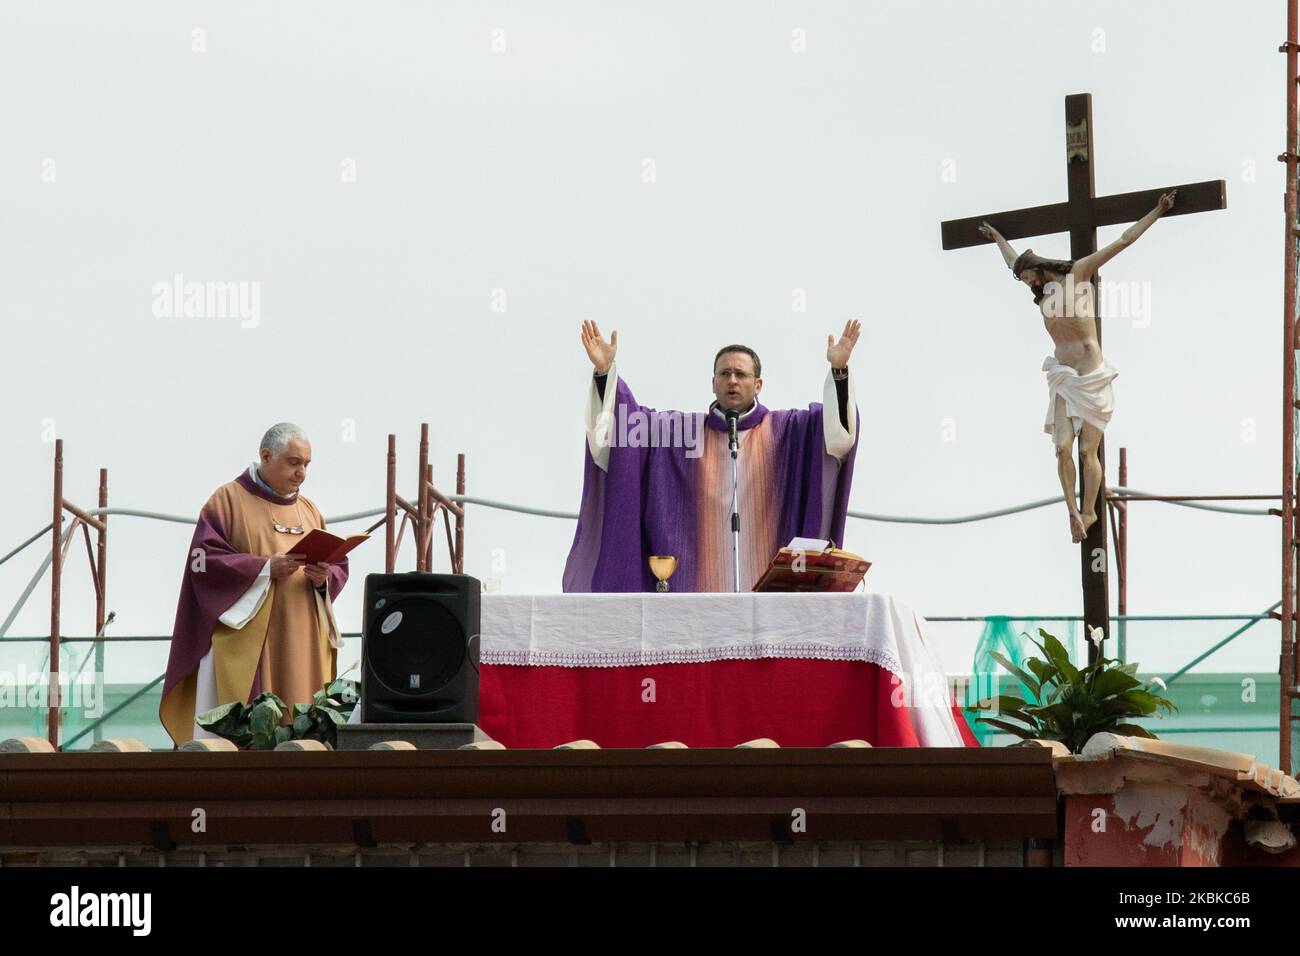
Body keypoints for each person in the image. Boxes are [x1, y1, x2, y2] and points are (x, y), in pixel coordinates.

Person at [563, 320, 861, 592]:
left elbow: (833, 436)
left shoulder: (786, 432)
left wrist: (839, 372)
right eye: (725, 374)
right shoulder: (683, 433)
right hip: (697, 595)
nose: (732, 380)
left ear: (758, 384)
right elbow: (627, 431)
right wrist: (605, 374)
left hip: (768, 599)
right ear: (713, 383)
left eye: (741, 374)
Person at [979, 191, 1175, 542]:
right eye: (1023, 280)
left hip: (1092, 375)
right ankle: (1072, 510)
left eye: (1028, 277)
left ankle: (1089, 510)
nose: (1027, 283)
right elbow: (1011, 259)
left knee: (1088, 451)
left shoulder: (1078, 274)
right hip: (1063, 376)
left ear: (1039, 267)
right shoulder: (1042, 297)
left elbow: (1123, 241)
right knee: (1060, 448)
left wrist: (1157, 211)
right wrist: (996, 237)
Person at [159, 422, 348, 746]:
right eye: (293, 462)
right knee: (254, 735)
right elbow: (202, 563)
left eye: (306, 464)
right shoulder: (227, 501)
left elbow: (338, 565)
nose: (301, 472)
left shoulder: (310, 511)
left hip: (304, 641)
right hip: (252, 641)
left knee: (304, 737)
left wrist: (324, 577)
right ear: (266, 456)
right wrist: (262, 568)